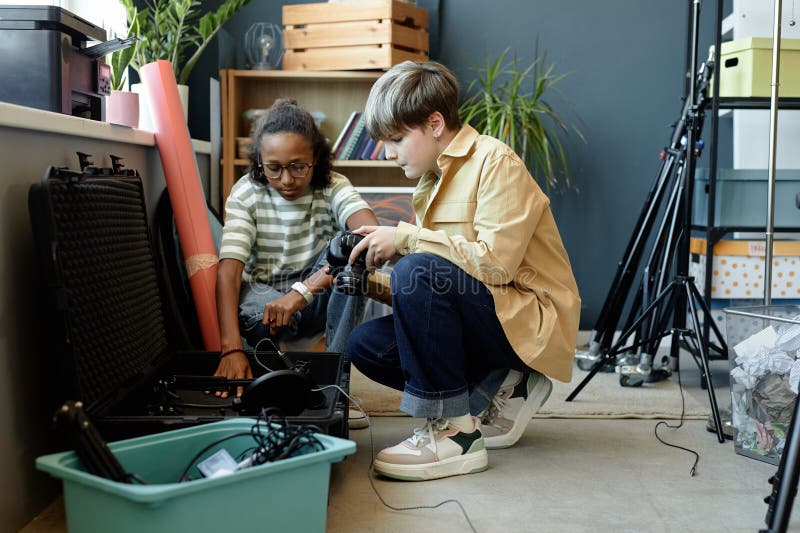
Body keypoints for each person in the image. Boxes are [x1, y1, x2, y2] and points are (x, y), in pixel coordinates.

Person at [345, 61, 581, 481]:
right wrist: (367, 281)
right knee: (366, 344)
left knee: (415, 270)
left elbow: (495, 263)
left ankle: (456, 433)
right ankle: (501, 382)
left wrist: (405, 239)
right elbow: (441, 287)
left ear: (435, 123)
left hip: (530, 318)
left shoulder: (495, 162)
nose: (387, 152)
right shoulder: (433, 178)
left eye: (397, 139)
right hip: (494, 315)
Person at [213, 98, 378, 404]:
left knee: (353, 246)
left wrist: (302, 291)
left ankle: (335, 383)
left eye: (298, 167)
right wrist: (231, 348)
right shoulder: (247, 192)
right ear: (259, 161)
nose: (287, 180)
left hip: (315, 297)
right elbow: (229, 271)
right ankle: (289, 377)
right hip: (264, 304)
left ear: (315, 158)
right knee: (254, 312)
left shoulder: (332, 186)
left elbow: (369, 235)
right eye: (273, 168)